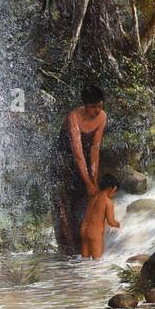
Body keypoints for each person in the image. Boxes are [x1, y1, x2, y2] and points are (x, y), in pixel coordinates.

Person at [54, 84, 108, 253]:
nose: (97, 110)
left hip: (83, 162)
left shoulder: (102, 117)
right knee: (64, 205)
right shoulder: (74, 118)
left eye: (100, 105)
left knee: (86, 202)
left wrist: (93, 180)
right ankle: (67, 252)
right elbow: (77, 154)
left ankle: (83, 254)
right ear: (85, 106)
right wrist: (87, 182)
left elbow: (94, 149)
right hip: (63, 162)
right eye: (93, 107)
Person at [80, 175, 121, 259]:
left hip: (84, 230)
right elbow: (111, 221)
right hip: (95, 233)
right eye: (115, 191)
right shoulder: (108, 202)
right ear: (111, 188)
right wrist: (119, 224)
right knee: (97, 261)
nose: (114, 194)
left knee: (84, 261)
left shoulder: (92, 196)